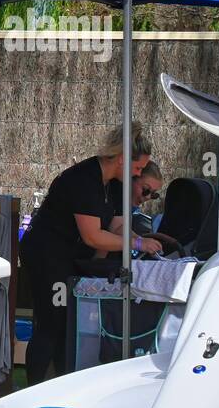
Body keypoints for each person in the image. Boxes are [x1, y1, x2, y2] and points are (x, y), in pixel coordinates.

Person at [20, 124, 161, 385]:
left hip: (71, 255)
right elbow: (93, 236)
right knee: (52, 325)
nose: (138, 174)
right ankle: (36, 388)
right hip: (47, 253)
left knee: (69, 324)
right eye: (138, 168)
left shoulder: (115, 184)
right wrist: (138, 245)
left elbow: (118, 227)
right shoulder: (83, 179)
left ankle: (63, 385)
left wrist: (139, 240)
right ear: (122, 159)